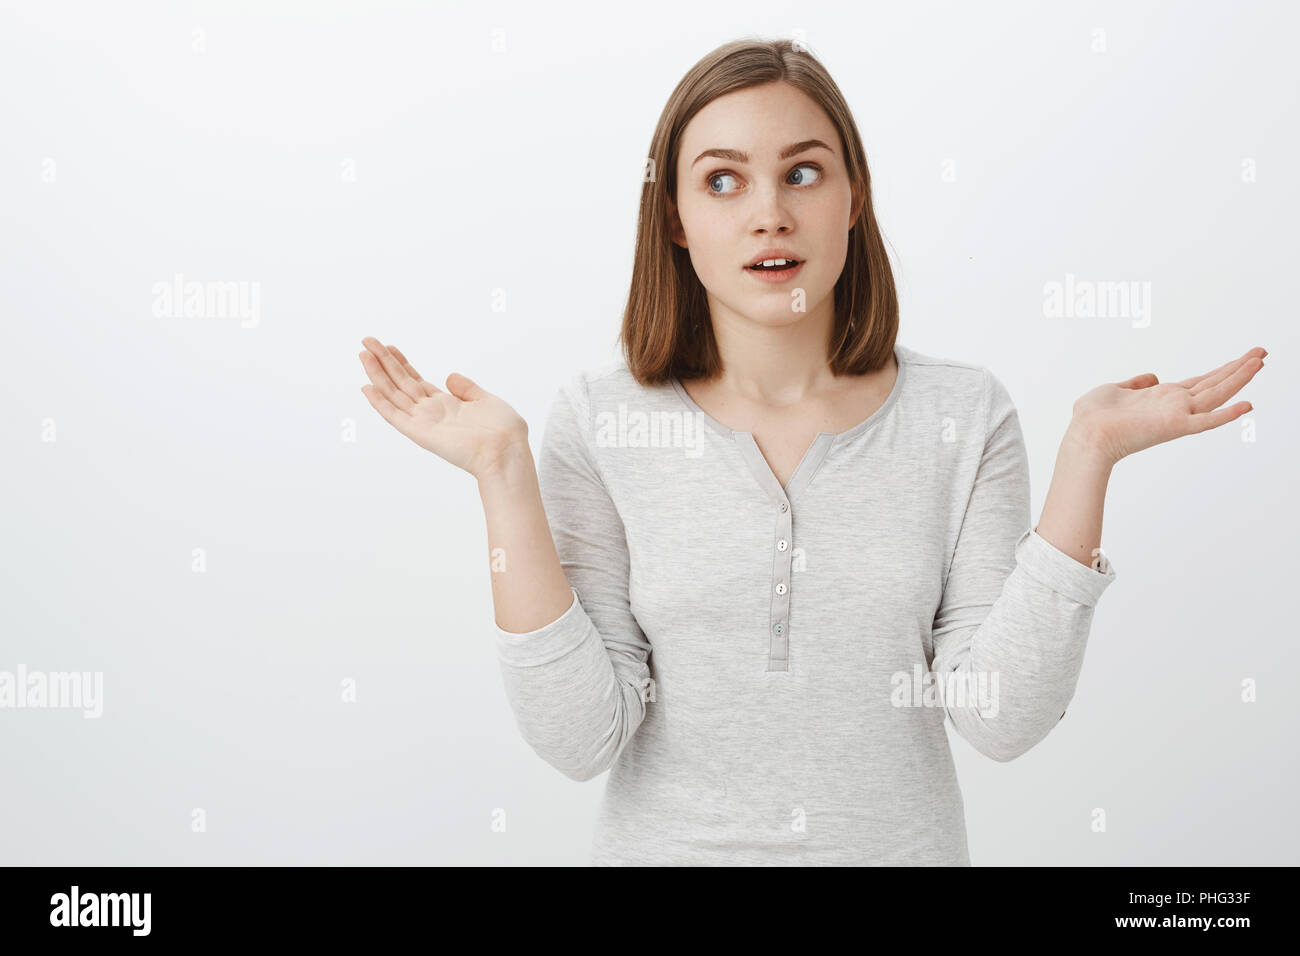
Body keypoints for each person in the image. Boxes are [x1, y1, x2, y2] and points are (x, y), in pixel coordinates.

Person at [357, 37, 1265, 865]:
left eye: (802, 173)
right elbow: (579, 739)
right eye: (722, 181)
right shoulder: (599, 422)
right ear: (674, 216)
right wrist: (502, 476)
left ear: (853, 197)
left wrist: (1090, 453)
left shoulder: (964, 413)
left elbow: (998, 719)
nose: (769, 215)